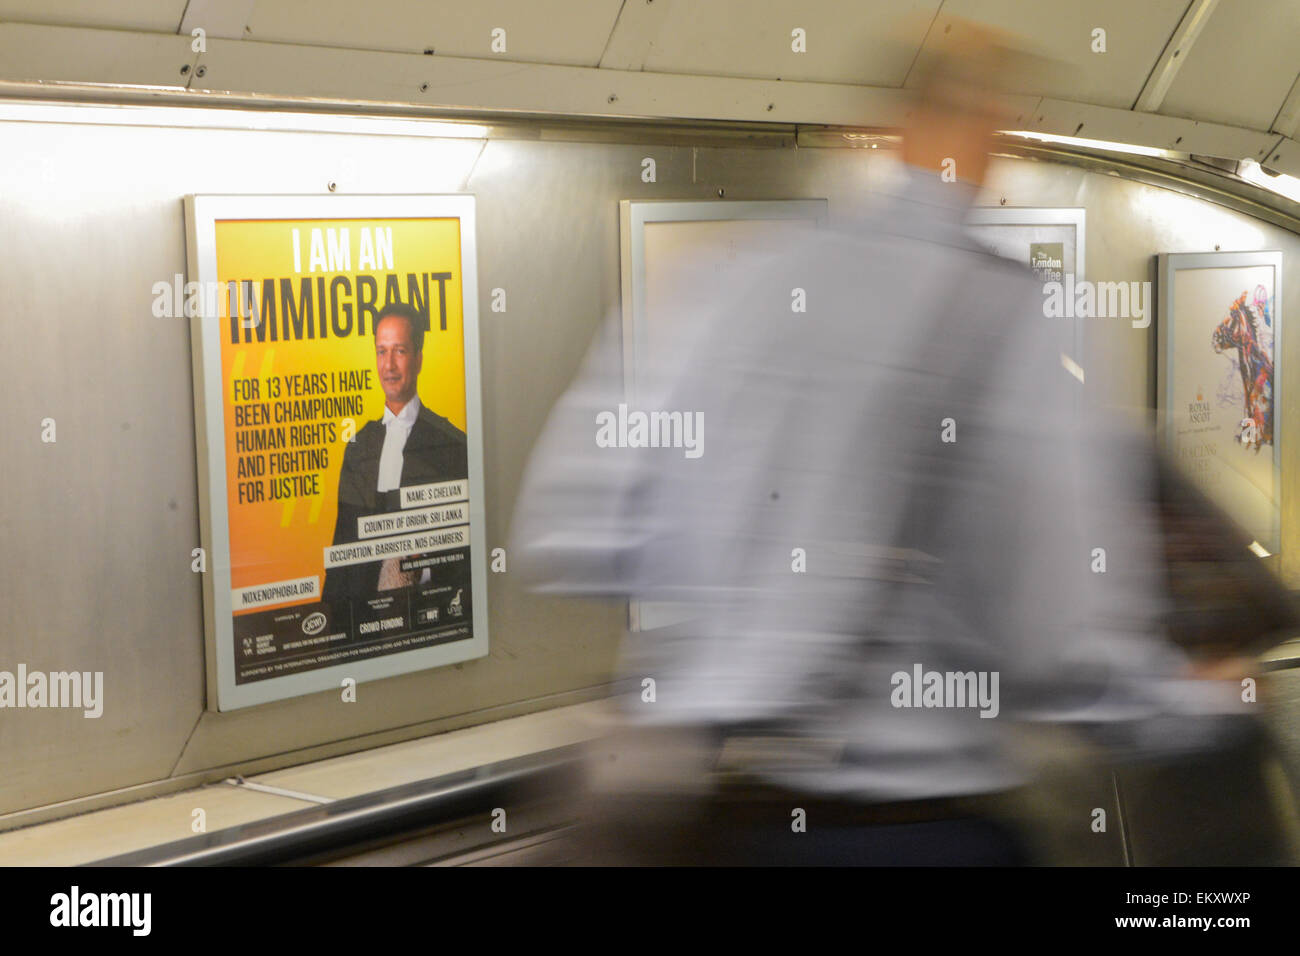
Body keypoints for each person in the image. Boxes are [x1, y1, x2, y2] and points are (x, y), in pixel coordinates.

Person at [511, 27, 1244, 865]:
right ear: (995, 141)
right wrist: (1192, 702)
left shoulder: (728, 279)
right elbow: (1060, 644)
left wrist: (739, 611)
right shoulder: (1019, 317)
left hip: (714, 817)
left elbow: (571, 534)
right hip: (915, 832)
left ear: (886, 129)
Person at [322, 302, 467, 605]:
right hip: (362, 620)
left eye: (399, 351)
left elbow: (463, 554)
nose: (388, 366)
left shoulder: (453, 445)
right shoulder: (358, 446)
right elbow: (342, 549)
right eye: (381, 351)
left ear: (418, 359)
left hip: (429, 614)